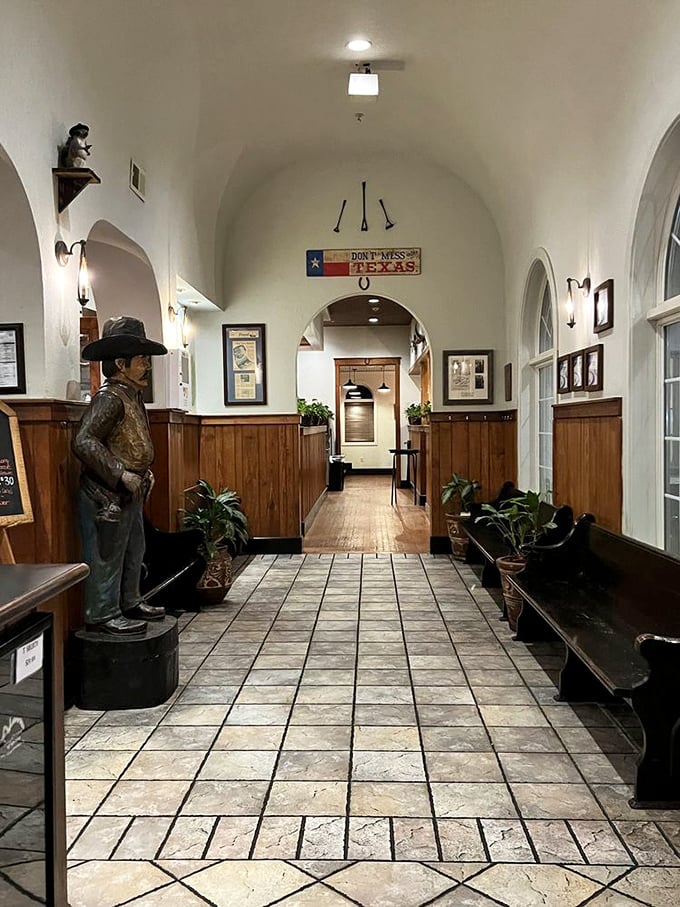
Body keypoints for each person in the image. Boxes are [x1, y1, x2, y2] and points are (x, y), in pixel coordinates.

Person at [73, 316, 168, 635]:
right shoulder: (109, 398)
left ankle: (130, 599)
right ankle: (102, 612)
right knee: (107, 554)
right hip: (106, 495)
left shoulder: (132, 396)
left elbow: (132, 442)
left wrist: (144, 472)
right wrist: (119, 473)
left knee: (134, 549)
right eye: (142, 360)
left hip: (130, 491)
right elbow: (84, 441)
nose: (147, 367)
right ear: (120, 363)